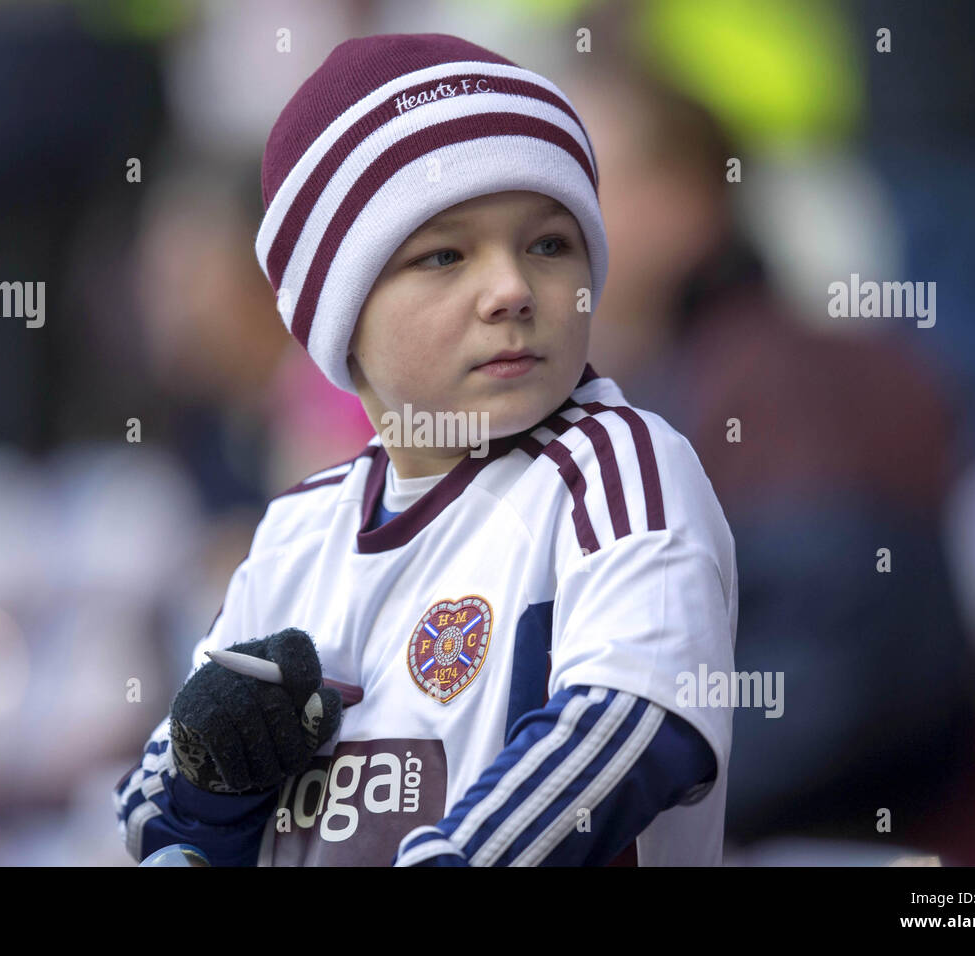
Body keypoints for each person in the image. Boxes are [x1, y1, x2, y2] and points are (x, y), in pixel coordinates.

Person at [113, 32, 736, 866]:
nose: (512, 289)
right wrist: (206, 783)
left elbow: (634, 722)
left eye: (549, 244)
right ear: (336, 313)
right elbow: (152, 814)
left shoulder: (618, 469)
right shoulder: (298, 529)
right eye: (443, 255)